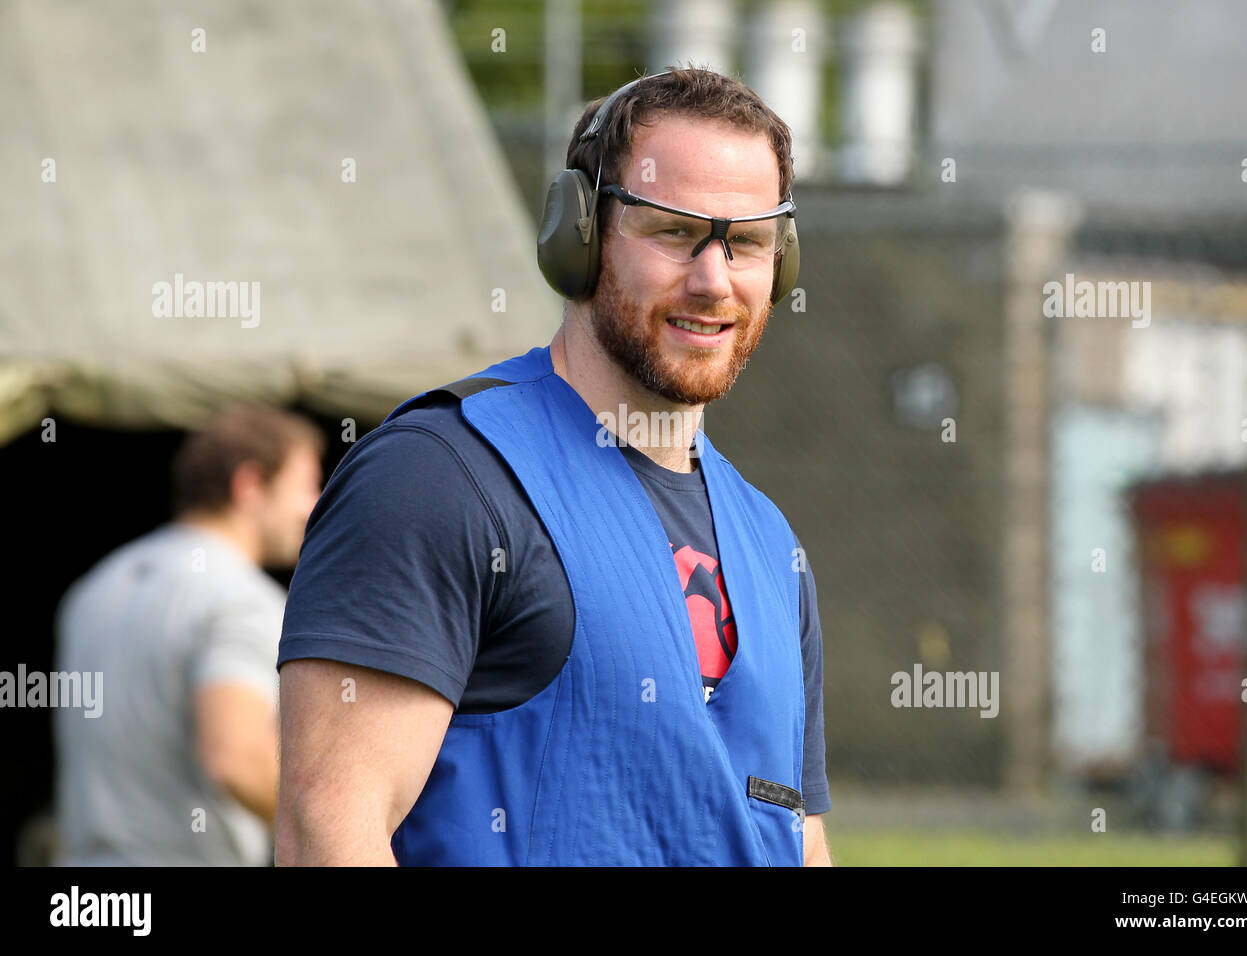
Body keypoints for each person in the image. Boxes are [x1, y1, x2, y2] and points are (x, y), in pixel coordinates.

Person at [276, 67, 831, 866]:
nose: (714, 281)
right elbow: (328, 831)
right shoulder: (438, 477)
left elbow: (799, 841)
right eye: (673, 232)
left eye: (745, 242)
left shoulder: (771, 546)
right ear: (576, 237)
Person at [53, 405, 324, 865]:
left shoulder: (97, 585)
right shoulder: (240, 598)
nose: (315, 507)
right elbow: (234, 758)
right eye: (306, 487)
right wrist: (330, 836)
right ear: (250, 483)